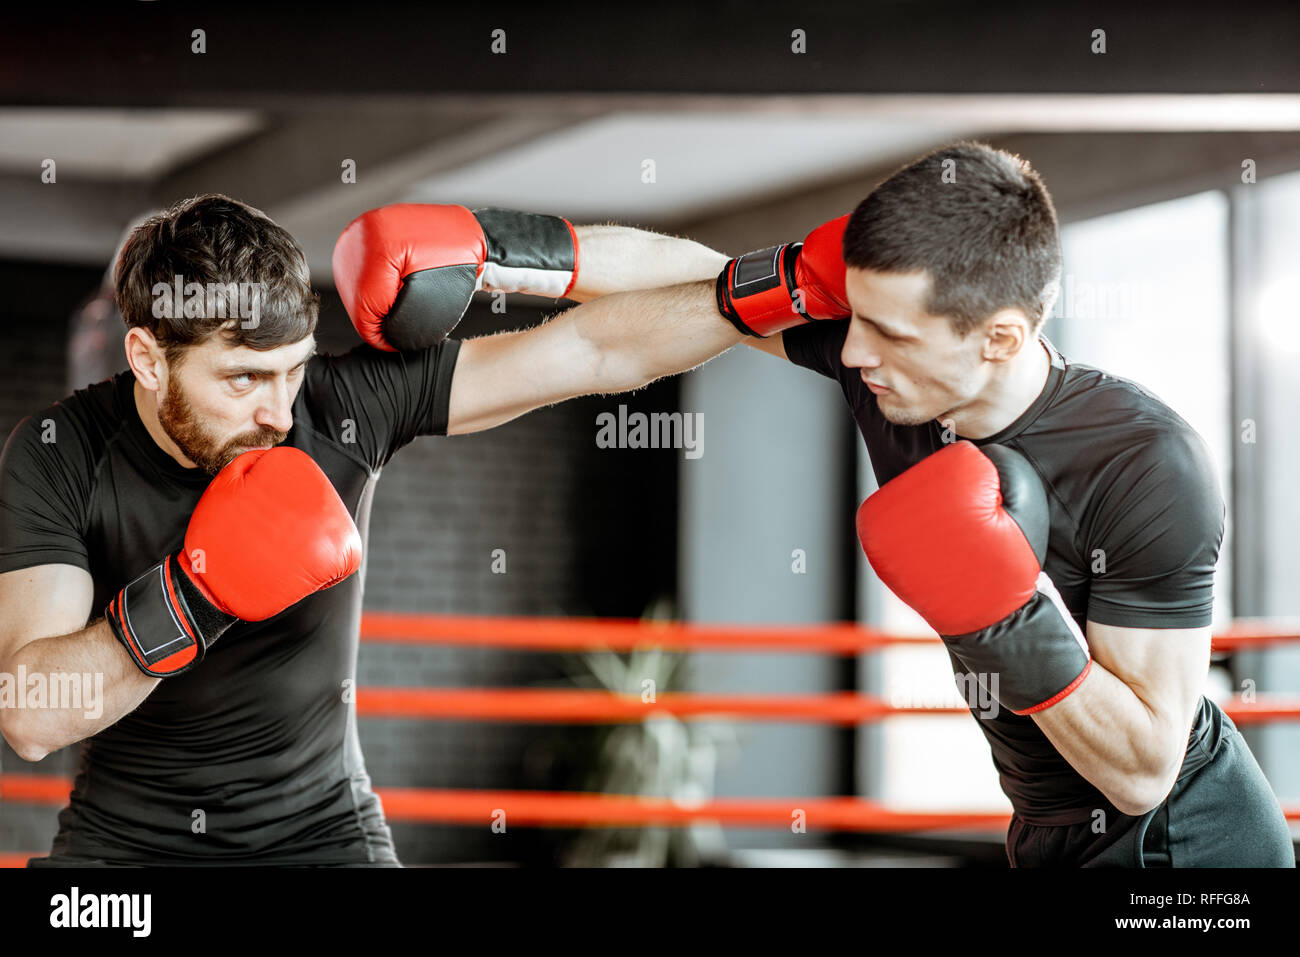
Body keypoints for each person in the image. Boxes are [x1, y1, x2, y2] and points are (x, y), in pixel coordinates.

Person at [335, 141, 1294, 867]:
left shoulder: (1144, 462)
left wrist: (1007, 611)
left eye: (886, 332)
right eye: (853, 318)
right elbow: (701, 283)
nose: (850, 351)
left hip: (1187, 851)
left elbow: (1142, 769)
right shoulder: (886, 368)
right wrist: (503, 248)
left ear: (1001, 337)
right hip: (1043, 824)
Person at [0, 193, 725, 865]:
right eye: (244, 379)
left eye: (293, 370)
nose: (280, 415)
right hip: (126, 847)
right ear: (147, 361)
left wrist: (764, 288)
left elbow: (599, 352)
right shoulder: (62, 452)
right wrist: (197, 594)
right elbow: (31, 718)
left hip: (326, 836)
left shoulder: (340, 406)